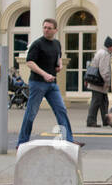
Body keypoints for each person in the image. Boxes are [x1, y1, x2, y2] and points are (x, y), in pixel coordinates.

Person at [17, 17, 76, 146]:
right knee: (31, 112)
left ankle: (69, 140)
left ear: (55, 30)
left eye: (49, 28)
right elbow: (30, 62)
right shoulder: (37, 44)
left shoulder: (57, 44)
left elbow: (59, 56)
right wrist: (44, 74)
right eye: (44, 27)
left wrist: (59, 65)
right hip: (38, 83)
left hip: (52, 84)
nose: (46, 30)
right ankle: (22, 141)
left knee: (61, 110)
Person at [86, 35, 112, 127]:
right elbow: (104, 70)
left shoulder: (100, 52)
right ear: (109, 46)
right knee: (96, 102)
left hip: (96, 82)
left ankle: (106, 120)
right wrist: (107, 82)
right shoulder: (105, 54)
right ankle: (91, 121)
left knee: (104, 102)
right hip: (99, 83)